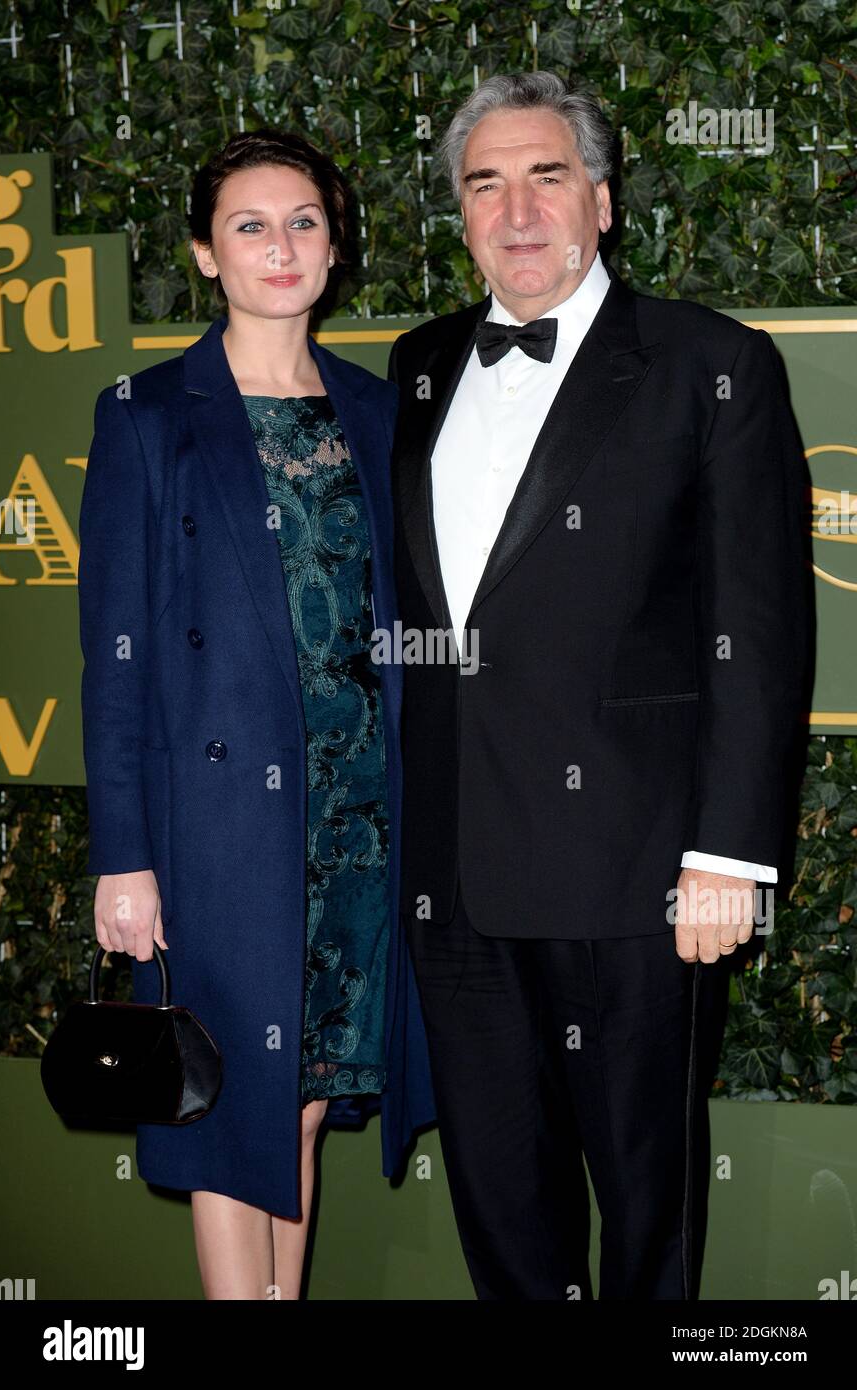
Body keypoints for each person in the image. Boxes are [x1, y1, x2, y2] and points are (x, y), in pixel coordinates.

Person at [388, 72, 811, 1300]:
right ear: (461, 213)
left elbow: (760, 624)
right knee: (503, 1213)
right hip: (456, 873)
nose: (518, 211)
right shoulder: (417, 369)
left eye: (548, 176)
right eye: (486, 183)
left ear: (604, 199)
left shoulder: (710, 363)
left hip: (636, 871)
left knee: (648, 1214)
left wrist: (727, 855)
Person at [78, 127, 434, 1300]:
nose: (280, 247)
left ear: (333, 250)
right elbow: (114, 658)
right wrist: (124, 861)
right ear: (205, 254)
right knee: (229, 1092)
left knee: (306, 1092)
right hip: (218, 824)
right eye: (250, 225)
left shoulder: (381, 417)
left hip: (355, 817)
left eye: (303, 223)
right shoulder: (145, 414)